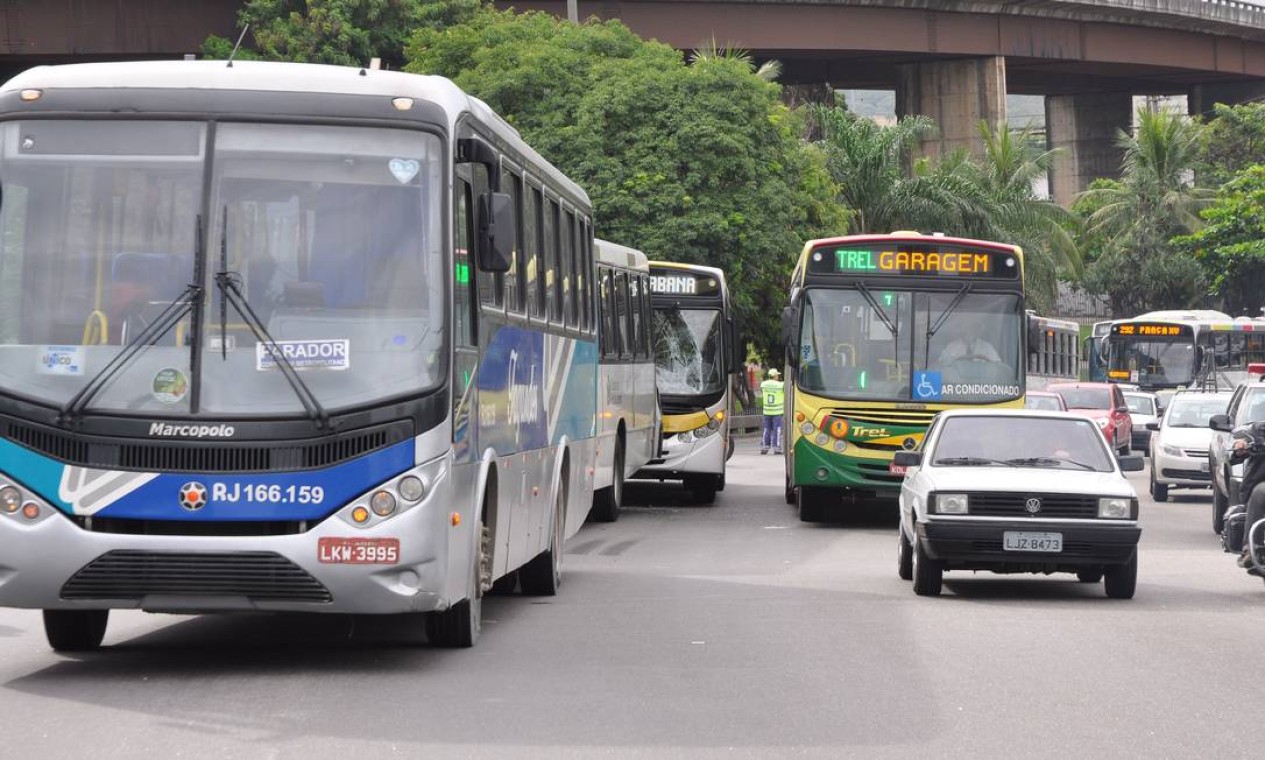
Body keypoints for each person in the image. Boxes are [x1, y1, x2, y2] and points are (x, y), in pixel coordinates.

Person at [1230, 421, 1265, 573]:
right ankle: (1251, 549)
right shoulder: (1260, 430)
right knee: (1260, 492)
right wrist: (1242, 447)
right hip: (1262, 481)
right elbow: (1246, 444)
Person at [936, 312, 1001, 366]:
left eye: (973, 326)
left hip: (982, 381)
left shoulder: (987, 347)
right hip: (955, 381)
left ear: (978, 329)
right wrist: (959, 359)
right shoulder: (952, 347)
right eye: (967, 326)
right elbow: (941, 364)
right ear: (962, 329)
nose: (970, 330)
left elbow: (998, 366)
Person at [760, 368, 785, 455]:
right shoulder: (780, 385)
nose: (778, 376)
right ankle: (776, 447)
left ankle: (765, 446)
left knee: (766, 429)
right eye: (777, 375)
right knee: (776, 429)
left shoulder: (763, 384)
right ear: (775, 376)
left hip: (767, 411)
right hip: (777, 412)